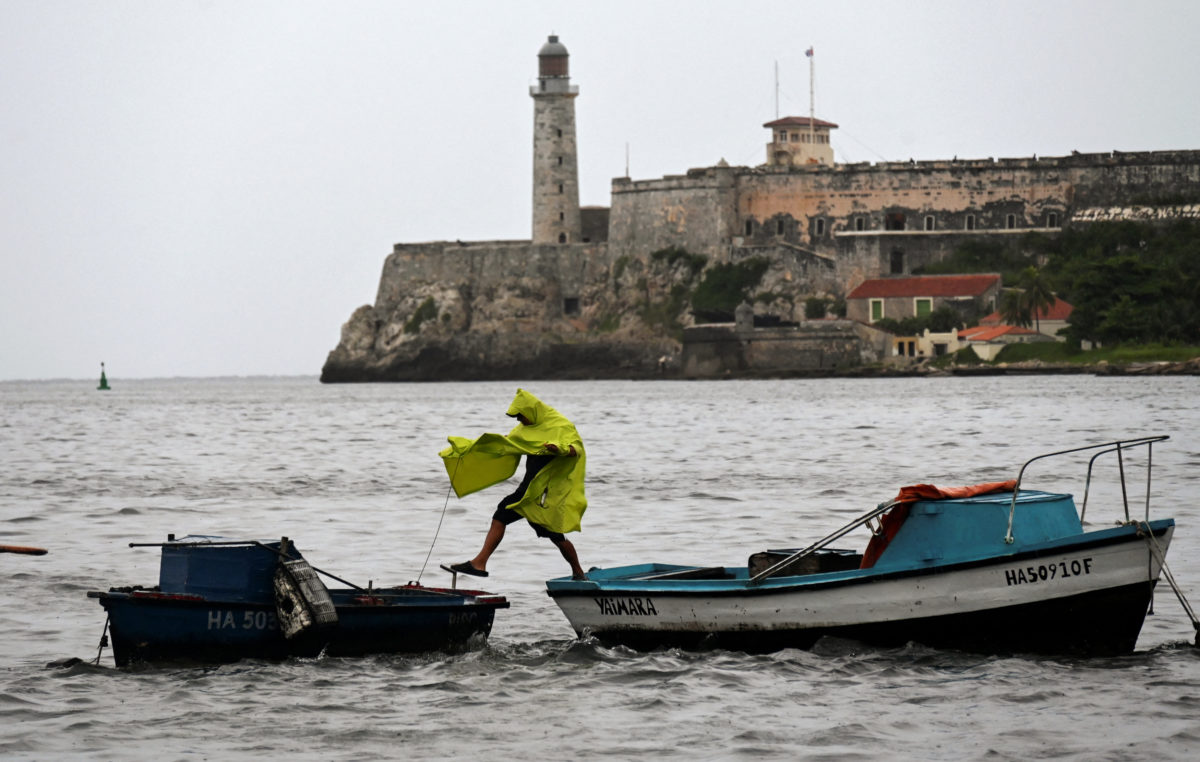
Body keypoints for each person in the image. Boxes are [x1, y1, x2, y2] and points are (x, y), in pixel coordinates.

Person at [440, 389, 588, 580]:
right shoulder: (523, 430)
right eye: (517, 417)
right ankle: (578, 572)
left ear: (531, 411)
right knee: (547, 531)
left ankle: (480, 563)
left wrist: (558, 449)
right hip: (528, 489)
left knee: (514, 517)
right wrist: (468, 449)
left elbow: (575, 449)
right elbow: (504, 444)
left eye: (520, 415)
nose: (519, 420)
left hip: (541, 492)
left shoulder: (560, 426)